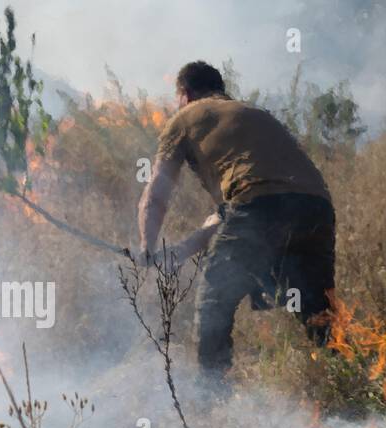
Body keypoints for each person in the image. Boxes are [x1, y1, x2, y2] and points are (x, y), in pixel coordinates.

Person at [137, 61, 336, 373]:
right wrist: (183, 250)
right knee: (319, 312)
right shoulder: (251, 115)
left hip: (262, 207)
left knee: (213, 300)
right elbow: (233, 212)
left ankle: (212, 400)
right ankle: (348, 387)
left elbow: (157, 194)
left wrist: (146, 246)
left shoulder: (186, 118)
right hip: (316, 209)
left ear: (185, 94)